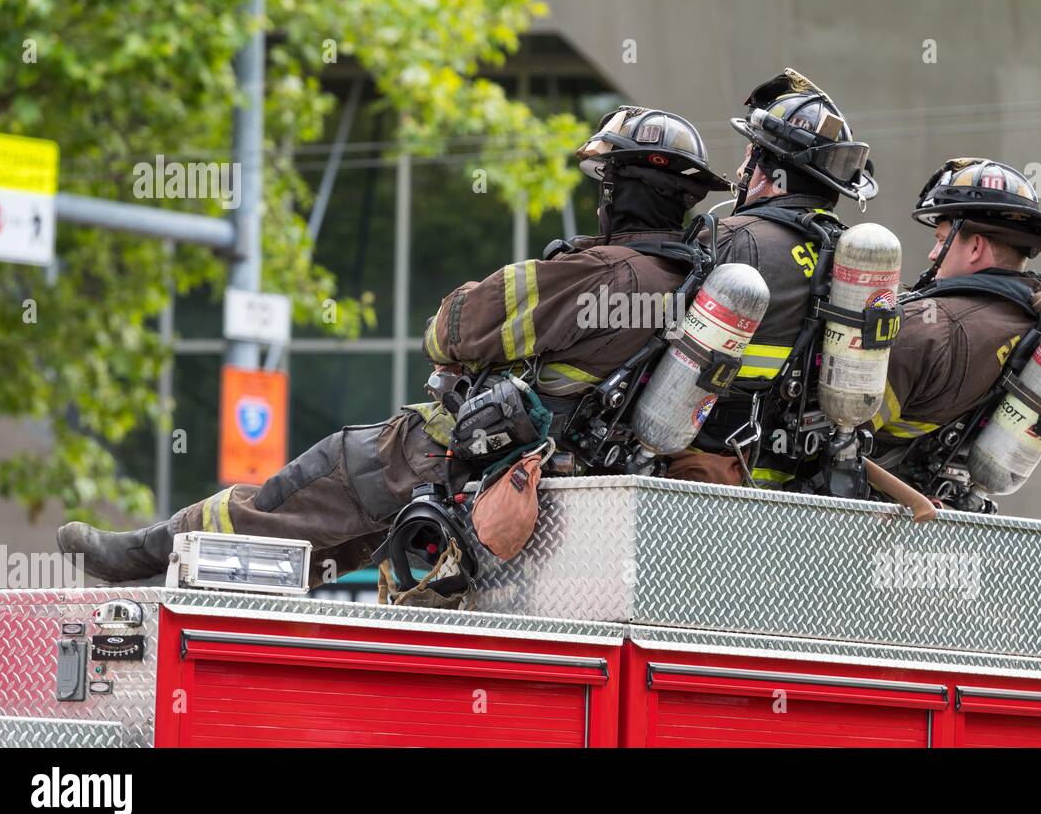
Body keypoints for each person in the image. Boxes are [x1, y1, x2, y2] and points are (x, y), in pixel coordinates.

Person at [56, 107, 732, 587]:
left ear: (617, 191)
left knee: (287, 499)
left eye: (605, 185)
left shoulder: (599, 274)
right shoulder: (694, 288)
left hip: (430, 459)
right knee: (324, 560)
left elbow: (450, 329)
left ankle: (138, 556)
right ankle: (169, 584)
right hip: (515, 492)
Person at [668, 68, 877, 488]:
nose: (743, 165)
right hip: (792, 483)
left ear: (764, 172)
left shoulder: (729, 240)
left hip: (701, 477)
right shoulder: (860, 268)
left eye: (750, 155)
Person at [867, 157, 1041, 509]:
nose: (933, 253)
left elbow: (835, 428)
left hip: (862, 518)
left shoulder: (926, 326)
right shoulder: (1040, 332)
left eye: (940, 239)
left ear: (976, 246)